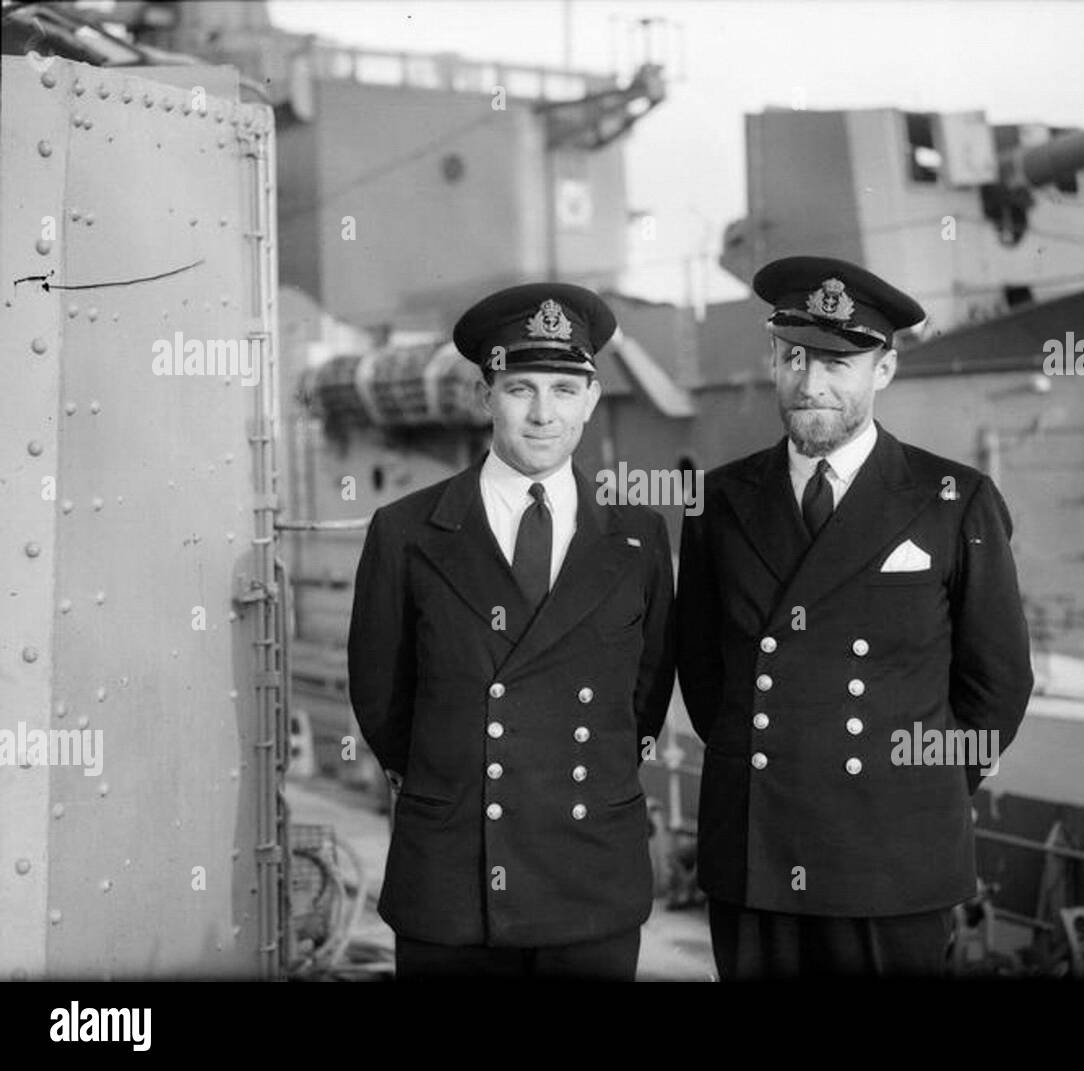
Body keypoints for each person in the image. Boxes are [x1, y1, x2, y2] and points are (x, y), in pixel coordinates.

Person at [676, 256, 1034, 978]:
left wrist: (908, 785)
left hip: (894, 860)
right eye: (795, 358)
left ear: (884, 371)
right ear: (774, 362)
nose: (812, 385)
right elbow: (706, 677)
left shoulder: (953, 499)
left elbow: (997, 681)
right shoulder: (717, 502)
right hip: (757, 852)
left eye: (840, 362)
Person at [347, 283, 676, 980]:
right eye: (520, 388)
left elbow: (643, 698)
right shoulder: (406, 532)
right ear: (483, 395)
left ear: (590, 399)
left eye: (563, 389)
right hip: (455, 882)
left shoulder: (639, 539)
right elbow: (382, 699)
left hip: (589, 881)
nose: (542, 413)